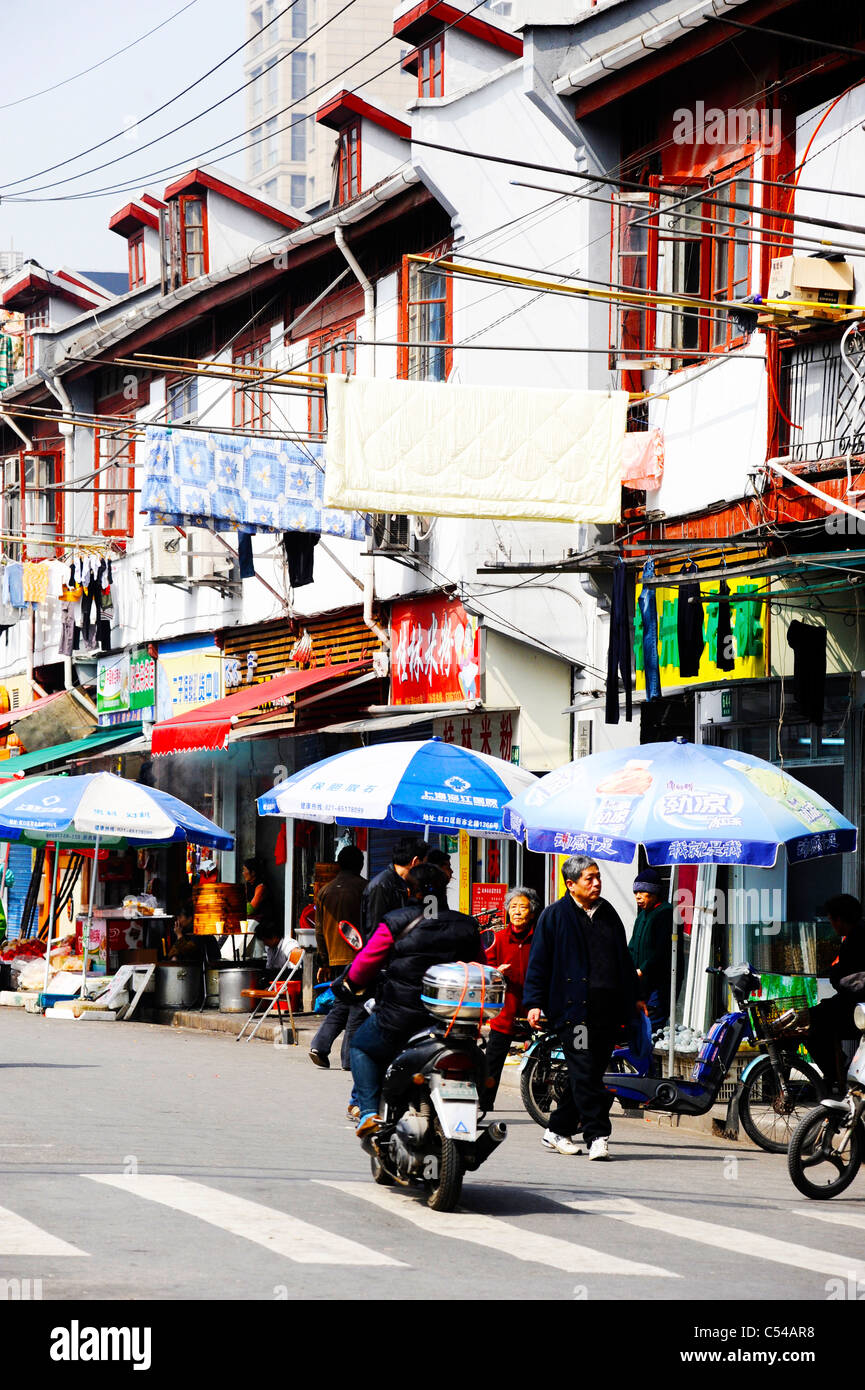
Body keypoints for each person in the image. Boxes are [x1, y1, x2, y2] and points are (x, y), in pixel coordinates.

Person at [343, 863, 485, 1136]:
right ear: (445, 890)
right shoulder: (466, 925)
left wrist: (348, 984)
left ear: (410, 891)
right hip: (450, 1022)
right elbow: (479, 967)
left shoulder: (395, 921)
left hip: (401, 1019)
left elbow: (363, 968)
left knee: (361, 1046)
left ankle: (369, 1112)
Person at [523, 856, 641, 1161]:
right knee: (585, 1071)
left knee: (587, 1074)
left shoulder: (608, 914)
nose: (597, 883)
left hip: (607, 1011)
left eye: (597, 877)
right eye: (589, 879)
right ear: (570, 884)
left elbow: (624, 962)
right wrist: (534, 1003)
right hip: (572, 1012)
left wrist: (635, 998)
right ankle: (598, 1135)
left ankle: (556, 1130)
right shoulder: (554, 917)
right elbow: (538, 964)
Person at [309, 846, 368, 1075]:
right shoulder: (366, 888)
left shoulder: (324, 891)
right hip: (361, 957)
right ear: (360, 865)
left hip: (335, 958)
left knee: (343, 1002)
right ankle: (349, 1059)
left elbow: (320, 931)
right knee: (357, 1005)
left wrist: (323, 961)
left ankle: (320, 1045)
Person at [483, 886, 540, 1106]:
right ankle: (485, 1102)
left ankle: (540, 1102)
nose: (516, 911)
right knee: (494, 1059)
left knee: (541, 1055)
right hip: (506, 1009)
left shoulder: (540, 939)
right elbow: (485, 968)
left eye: (522, 907)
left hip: (534, 1008)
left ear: (532, 912)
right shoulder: (498, 938)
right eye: (513, 907)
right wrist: (497, 971)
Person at [806, 894, 865, 1096]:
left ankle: (840, 1074)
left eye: (831, 920)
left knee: (813, 1025)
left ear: (839, 919)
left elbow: (851, 976)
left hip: (858, 1008)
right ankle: (838, 1072)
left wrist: (837, 975)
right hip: (850, 1003)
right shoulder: (854, 936)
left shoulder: (859, 937)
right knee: (815, 1016)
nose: (831, 924)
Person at [630, 866, 682, 1029]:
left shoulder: (666, 913)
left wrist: (642, 969)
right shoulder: (642, 915)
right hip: (642, 985)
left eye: (642, 892)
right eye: (635, 893)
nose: (637, 897)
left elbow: (662, 950)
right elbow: (632, 946)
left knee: (652, 1025)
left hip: (660, 986)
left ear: (653, 893)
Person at [360, 835, 429, 942]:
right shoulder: (381, 886)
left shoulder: (411, 884)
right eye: (424, 864)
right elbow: (374, 932)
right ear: (415, 862)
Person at [242, 856, 274, 932]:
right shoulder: (248, 884)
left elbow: (250, 909)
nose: (243, 873)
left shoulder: (261, 887)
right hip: (252, 920)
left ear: (253, 873)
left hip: (262, 922)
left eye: (245, 870)